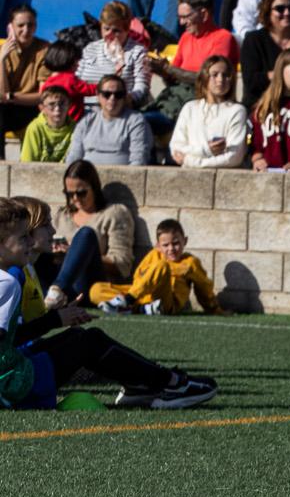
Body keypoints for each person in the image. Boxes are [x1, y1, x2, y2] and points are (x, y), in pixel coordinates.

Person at [0, 198, 216, 410]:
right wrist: (55, 319)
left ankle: (149, 384)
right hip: (15, 386)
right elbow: (7, 340)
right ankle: (170, 383)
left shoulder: (19, 272)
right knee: (88, 342)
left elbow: (10, 338)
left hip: (15, 373)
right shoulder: (12, 279)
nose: (52, 231)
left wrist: (55, 318)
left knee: (82, 338)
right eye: (24, 235)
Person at [46, 160, 138, 307]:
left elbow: (123, 265)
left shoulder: (113, 213)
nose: (75, 198)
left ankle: (57, 290)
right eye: (69, 194)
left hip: (90, 285)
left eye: (81, 193)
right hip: (56, 276)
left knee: (85, 235)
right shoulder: (62, 215)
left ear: (94, 188)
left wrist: (75, 253)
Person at [89, 217, 223, 316]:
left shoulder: (190, 262)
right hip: (142, 297)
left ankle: (127, 302)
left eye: (176, 243)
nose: (171, 249)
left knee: (162, 266)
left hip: (166, 302)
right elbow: (138, 278)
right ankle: (141, 309)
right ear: (158, 246)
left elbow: (204, 287)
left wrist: (214, 309)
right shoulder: (154, 255)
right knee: (96, 290)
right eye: (165, 245)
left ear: (185, 241)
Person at [150, 0, 238, 94]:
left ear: (204, 14)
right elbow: (173, 80)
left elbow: (209, 80)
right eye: (180, 18)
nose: (182, 23)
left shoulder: (223, 38)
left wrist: (168, 69)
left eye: (186, 17)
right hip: (182, 98)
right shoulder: (185, 37)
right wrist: (162, 72)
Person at [168, 57, 249, 169]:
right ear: (204, 77)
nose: (220, 79)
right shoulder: (190, 108)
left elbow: (234, 157)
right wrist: (206, 150)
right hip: (187, 178)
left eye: (226, 75)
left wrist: (191, 161)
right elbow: (176, 148)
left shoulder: (237, 111)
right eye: (215, 74)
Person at [65, 74, 151, 168]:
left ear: (124, 97)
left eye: (118, 95)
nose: (112, 98)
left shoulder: (136, 120)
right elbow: (74, 156)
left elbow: (139, 158)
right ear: (98, 95)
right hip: (87, 178)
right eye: (107, 94)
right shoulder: (86, 121)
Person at [78, 1, 151, 107]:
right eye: (106, 29)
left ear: (127, 30)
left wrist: (126, 99)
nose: (109, 34)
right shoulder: (90, 48)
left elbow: (142, 86)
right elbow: (77, 79)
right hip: (86, 107)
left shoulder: (138, 51)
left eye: (116, 31)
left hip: (118, 108)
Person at [0, 4, 49, 136]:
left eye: (30, 25)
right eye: (20, 25)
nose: (26, 30)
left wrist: (11, 97)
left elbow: (42, 96)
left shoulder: (44, 50)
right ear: (11, 27)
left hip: (30, 107)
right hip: (6, 108)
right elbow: (1, 93)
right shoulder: (2, 50)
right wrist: (2, 60)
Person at [21, 87, 74, 163]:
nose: (57, 108)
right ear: (42, 107)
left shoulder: (76, 128)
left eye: (62, 103)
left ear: (69, 105)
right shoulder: (35, 128)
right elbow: (27, 162)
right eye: (51, 104)